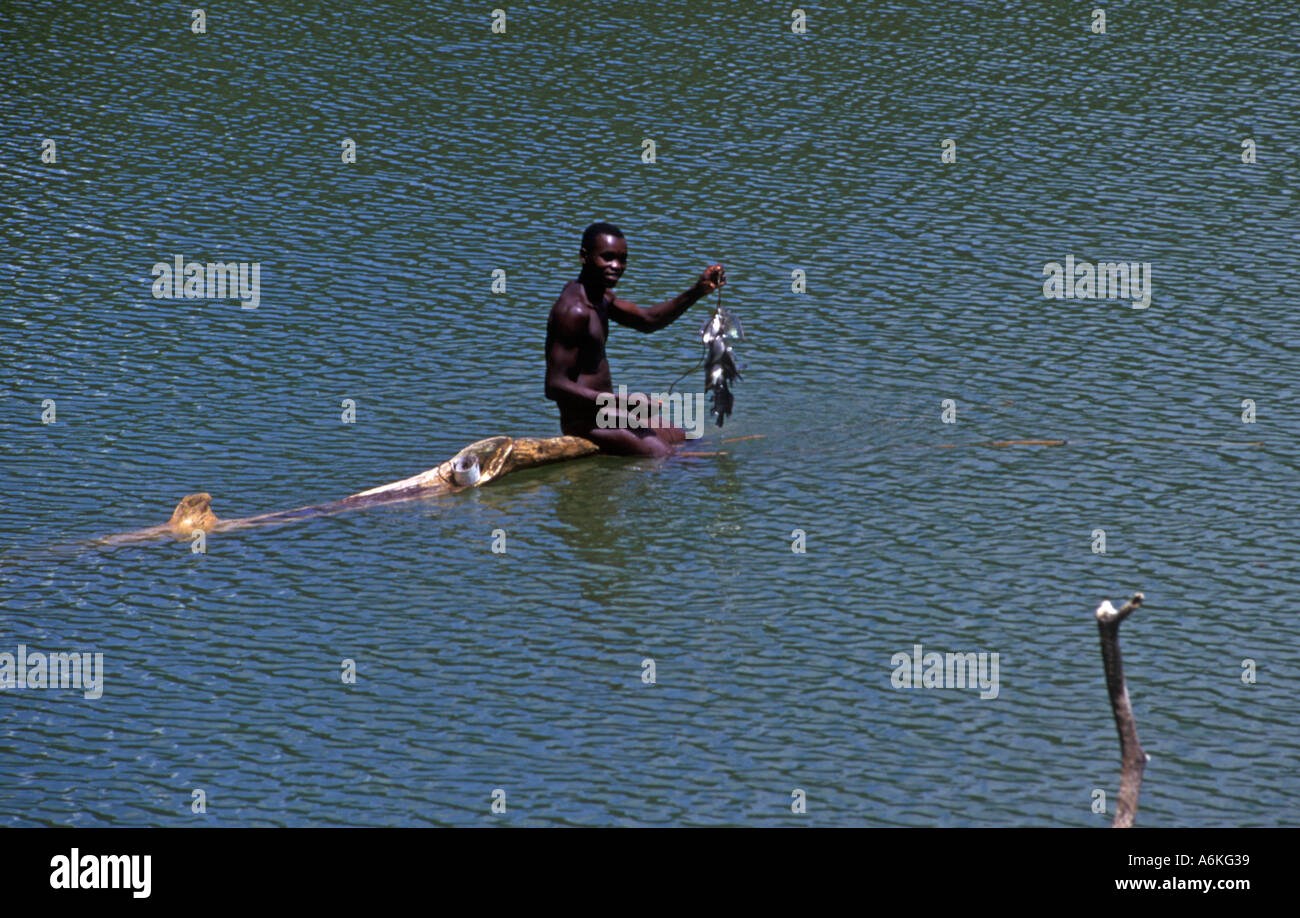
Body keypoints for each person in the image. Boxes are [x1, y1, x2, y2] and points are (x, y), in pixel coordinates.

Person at [544, 222, 726, 456]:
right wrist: (626, 403)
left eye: (622, 260)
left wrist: (698, 290)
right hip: (587, 422)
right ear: (584, 257)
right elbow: (554, 386)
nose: (616, 266)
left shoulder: (600, 297)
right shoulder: (572, 311)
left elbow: (648, 320)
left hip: (610, 414)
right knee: (670, 459)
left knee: (691, 439)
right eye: (607, 258)